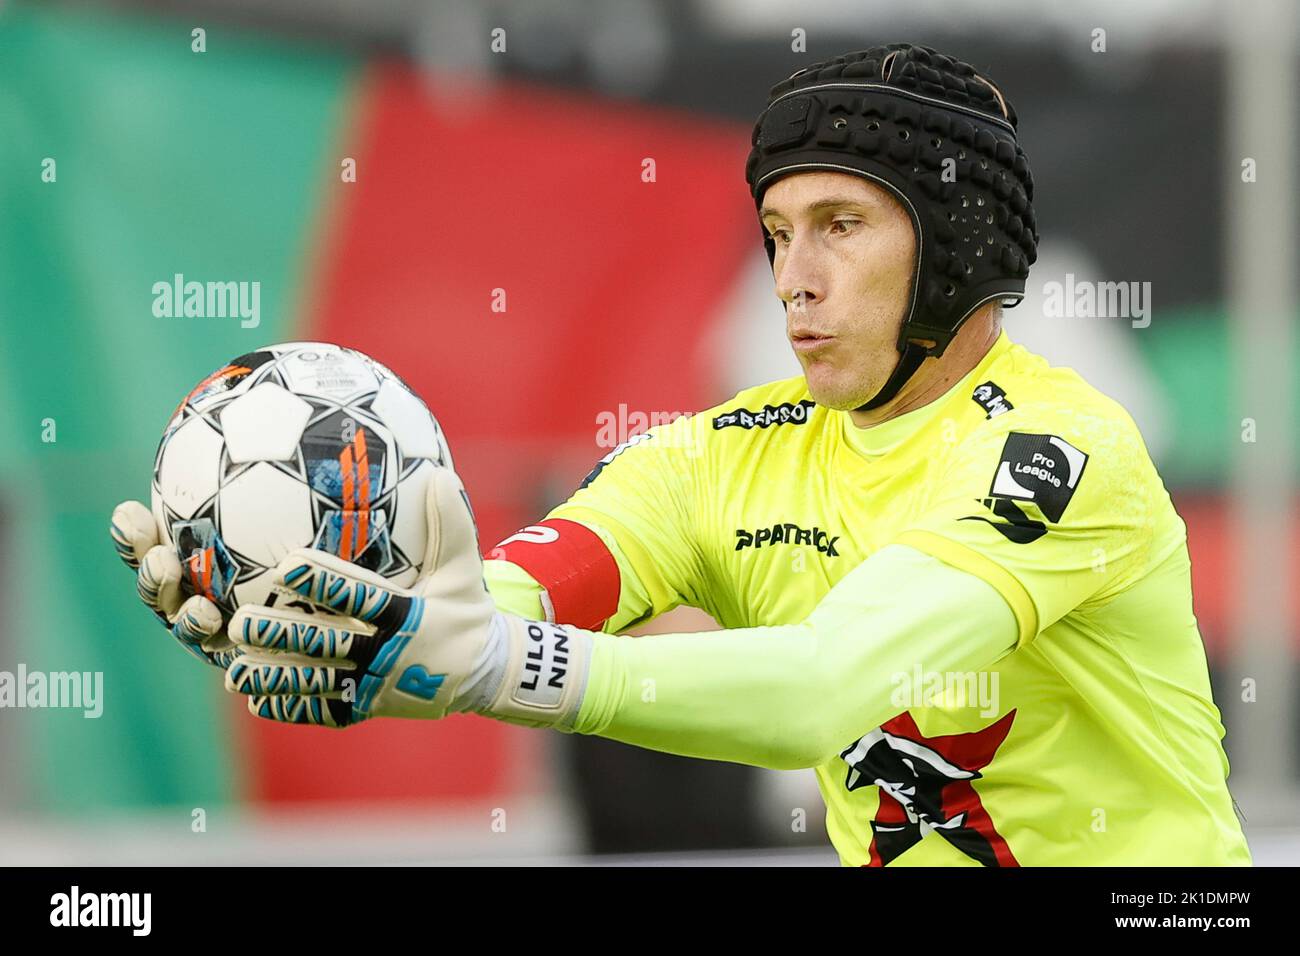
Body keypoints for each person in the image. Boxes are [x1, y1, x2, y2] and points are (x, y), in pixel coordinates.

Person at [111, 43, 1250, 866]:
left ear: (955, 242)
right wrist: (319, 622)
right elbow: (483, 609)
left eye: (841, 225)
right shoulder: (716, 456)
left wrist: (489, 662)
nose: (792, 276)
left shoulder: (1061, 448)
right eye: (775, 233)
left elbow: (819, 689)